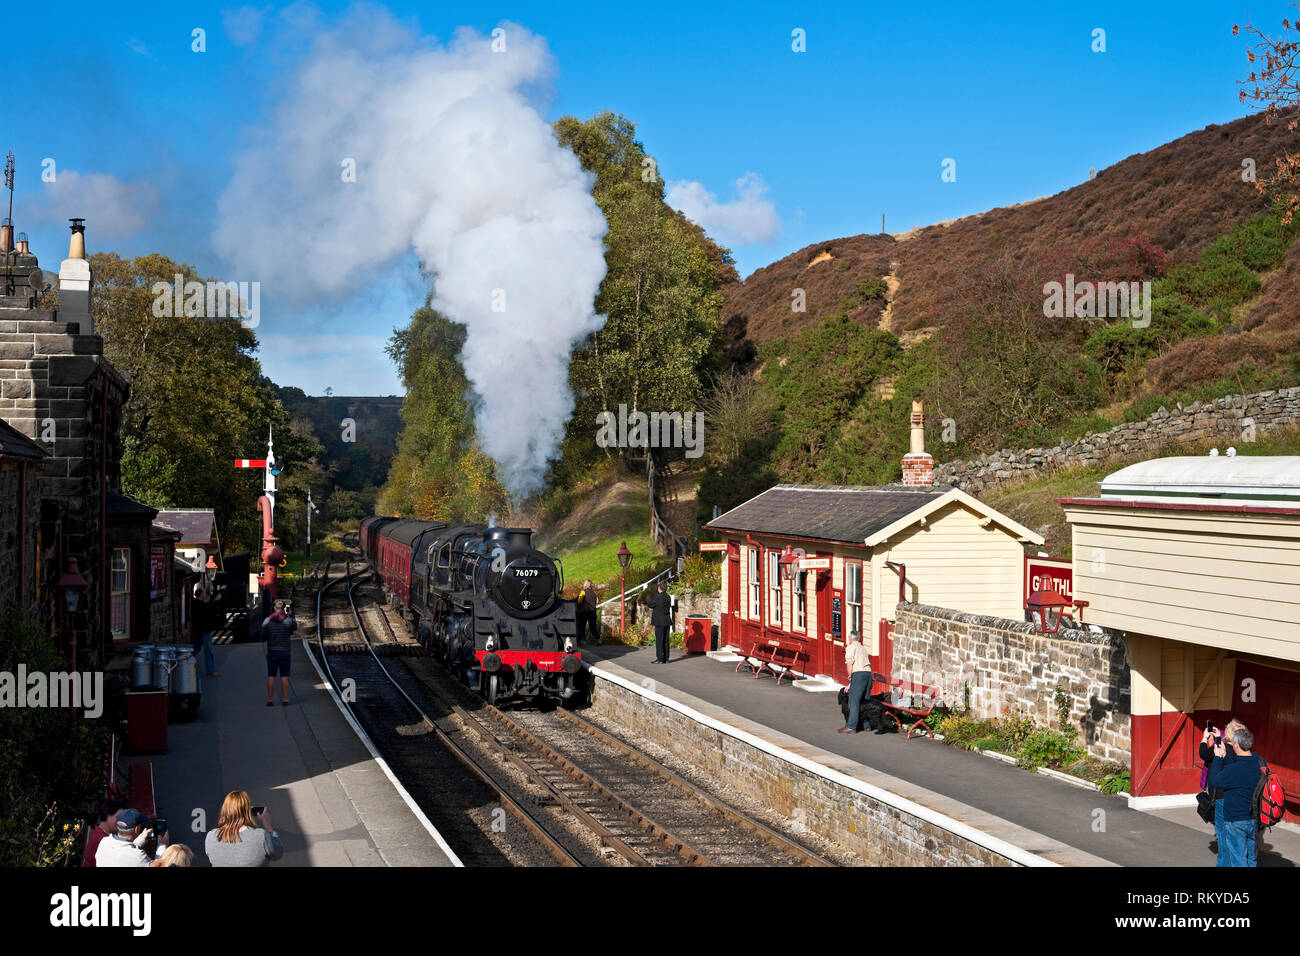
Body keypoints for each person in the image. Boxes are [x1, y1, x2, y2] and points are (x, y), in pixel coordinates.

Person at [1208, 726, 1264, 867]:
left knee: (1238, 860)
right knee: (1251, 858)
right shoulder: (1259, 762)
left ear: (1237, 745)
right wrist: (1225, 755)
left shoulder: (1233, 770)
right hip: (1254, 818)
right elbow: (1240, 764)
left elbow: (1215, 780)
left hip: (1236, 820)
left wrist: (1217, 758)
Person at [1199, 717, 1243, 865]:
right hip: (1239, 797)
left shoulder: (1219, 749)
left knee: (1223, 833)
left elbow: (1203, 753)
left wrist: (1206, 737)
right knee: (1237, 835)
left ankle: (1224, 863)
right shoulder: (1243, 752)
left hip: (1221, 797)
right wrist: (1218, 738)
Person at [205, 791, 284, 867]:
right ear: (247, 812)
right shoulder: (261, 836)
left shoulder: (211, 837)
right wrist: (268, 826)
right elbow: (277, 853)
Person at [95, 809, 169, 867]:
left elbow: (123, 852)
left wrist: (142, 839)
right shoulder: (137, 857)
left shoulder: (104, 842)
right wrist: (162, 846)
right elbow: (157, 865)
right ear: (136, 829)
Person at [263, 598, 296, 706]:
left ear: (274, 608)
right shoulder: (287, 620)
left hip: (272, 651)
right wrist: (292, 615)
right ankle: (285, 699)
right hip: (285, 652)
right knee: (284, 676)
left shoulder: (268, 620)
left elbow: (262, 635)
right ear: (284, 609)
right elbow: (294, 628)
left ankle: (270, 699)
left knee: (271, 675)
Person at [840, 630, 873, 734]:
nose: (848, 638)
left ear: (851, 638)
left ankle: (851, 726)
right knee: (865, 701)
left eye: (849, 636)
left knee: (854, 701)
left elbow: (849, 663)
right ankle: (867, 725)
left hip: (858, 675)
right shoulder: (863, 648)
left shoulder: (850, 647)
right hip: (868, 675)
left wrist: (850, 677)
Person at [81, 797, 125, 867]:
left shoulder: (99, 833)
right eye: (118, 817)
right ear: (108, 815)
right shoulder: (100, 838)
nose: (122, 822)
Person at [192, 582, 221, 678]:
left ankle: (185, 663)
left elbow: (207, 607)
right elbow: (208, 609)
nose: (205, 595)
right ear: (201, 595)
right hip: (204, 630)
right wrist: (216, 600)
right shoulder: (199, 605)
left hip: (199, 630)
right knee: (208, 650)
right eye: (204, 593)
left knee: (196, 649)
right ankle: (210, 670)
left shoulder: (197, 604)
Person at [648, 582, 673, 664]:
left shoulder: (658, 597)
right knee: (666, 640)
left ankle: (660, 659)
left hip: (659, 621)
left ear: (659, 588)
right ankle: (666, 658)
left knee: (659, 640)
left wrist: (650, 597)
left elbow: (650, 604)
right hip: (667, 620)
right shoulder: (668, 597)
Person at [576, 579, 600, 645]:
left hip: (584, 612)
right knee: (593, 627)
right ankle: (598, 639)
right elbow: (597, 602)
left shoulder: (583, 592)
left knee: (582, 626)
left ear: (585, 585)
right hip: (592, 612)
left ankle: (582, 640)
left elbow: (579, 601)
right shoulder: (594, 593)